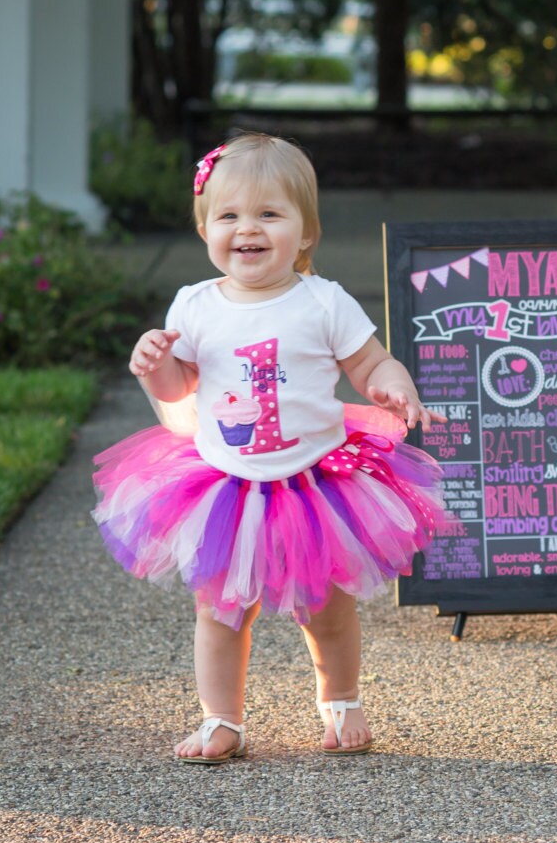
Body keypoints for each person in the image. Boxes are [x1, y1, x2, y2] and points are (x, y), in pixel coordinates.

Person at [92, 132, 446, 763]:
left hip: (317, 483)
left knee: (328, 610)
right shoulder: (195, 306)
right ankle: (220, 720)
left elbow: (370, 363)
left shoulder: (322, 301)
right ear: (205, 229)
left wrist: (393, 387)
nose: (247, 229)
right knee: (222, 612)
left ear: (304, 233)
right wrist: (154, 365)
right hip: (226, 483)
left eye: (268, 214)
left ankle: (342, 702)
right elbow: (182, 385)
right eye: (228, 216)